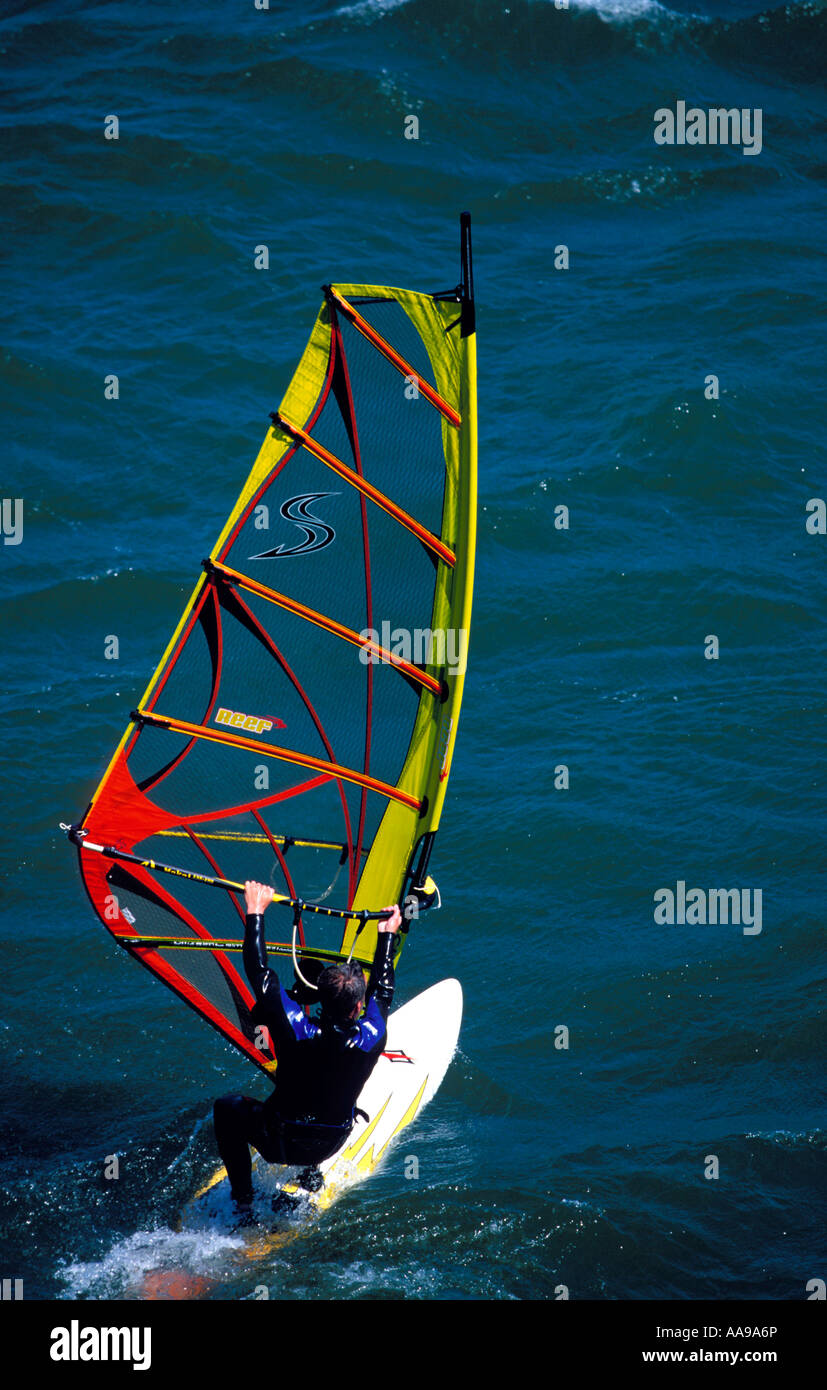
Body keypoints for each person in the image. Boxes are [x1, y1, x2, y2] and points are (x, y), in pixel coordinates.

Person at [213, 881, 401, 1209]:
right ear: (358, 1007)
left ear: (319, 997)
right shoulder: (373, 1036)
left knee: (227, 1109)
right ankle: (311, 1175)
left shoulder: (294, 1026)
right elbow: (383, 991)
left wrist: (255, 911)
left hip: (279, 1141)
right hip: (331, 1143)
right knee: (325, 1094)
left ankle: (243, 1202)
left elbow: (260, 973)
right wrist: (387, 935)